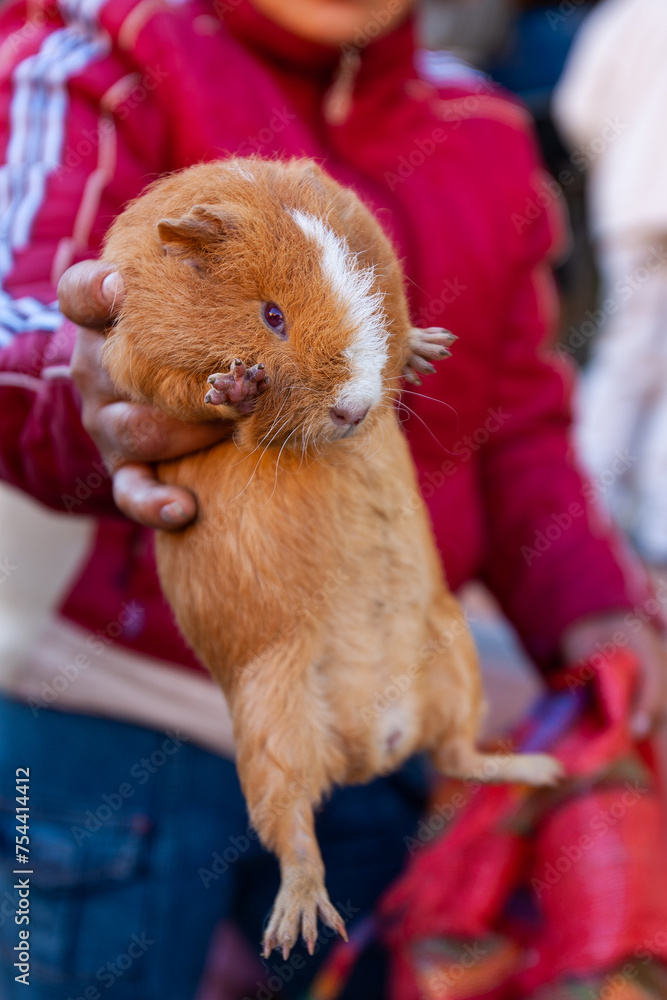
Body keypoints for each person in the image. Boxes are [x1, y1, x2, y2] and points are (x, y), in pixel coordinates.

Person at [0, 1, 665, 998]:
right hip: (117, 724)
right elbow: (27, 318)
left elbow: (511, 422)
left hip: (369, 744)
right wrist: (88, 382)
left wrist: (593, 609)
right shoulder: (100, 53)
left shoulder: (479, 128)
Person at [553, 0, 667, 571]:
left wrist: (615, 160)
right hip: (637, 201)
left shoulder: (624, 15)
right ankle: (652, 519)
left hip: (629, 205)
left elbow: (577, 105)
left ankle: (593, 506)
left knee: (627, 351)